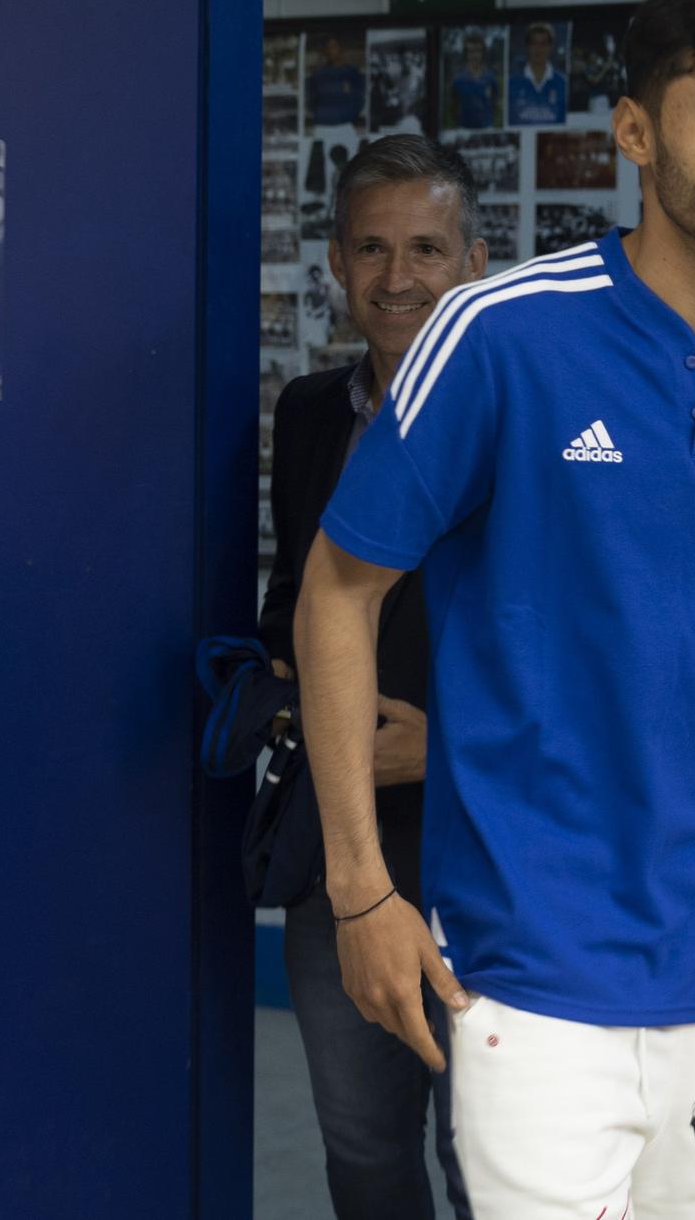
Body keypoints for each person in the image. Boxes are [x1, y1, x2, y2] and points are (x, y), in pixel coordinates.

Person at [293, 0, 695, 1219]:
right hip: (530, 978)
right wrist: (360, 884)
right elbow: (334, 592)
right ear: (634, 133)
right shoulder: (498, 336)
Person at [257, 135, 487, 1220]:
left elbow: (581, 648)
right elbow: (289, 617)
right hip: (341, 859)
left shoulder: (522, 416)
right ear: (339, 264)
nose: (398, 277)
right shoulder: (309, 414)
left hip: (492, 857)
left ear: (474, 263)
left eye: (427, 249)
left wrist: (444, 744)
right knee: (361, 1153)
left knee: (490, 1157)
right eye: (372, 249)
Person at [506, 21, 567, 125]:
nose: (538, 48)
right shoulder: (512, 83)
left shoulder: (562, 83)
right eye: (534, 43)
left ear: (550, 47)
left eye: (543, 43)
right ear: (527, 46)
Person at [306, 34, 366, 128]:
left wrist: (351, 116)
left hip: (346, 123)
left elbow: (359, 98)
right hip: (323, 124)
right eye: (328, 48)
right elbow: (311, 100)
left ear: (341, 49)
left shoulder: (351, 72)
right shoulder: (318, 74)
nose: (330, 51)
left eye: (333, 47)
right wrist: (319, 115)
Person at [448, 32, 499, 129]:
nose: (475, 55)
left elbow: (495, 103)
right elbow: (453, 106)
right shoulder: (458, 80)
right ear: (466, 54)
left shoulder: (491, 79)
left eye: (478, 51)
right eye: (471, 51)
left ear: (483, 53)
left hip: (487, 128)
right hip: (464, 129)